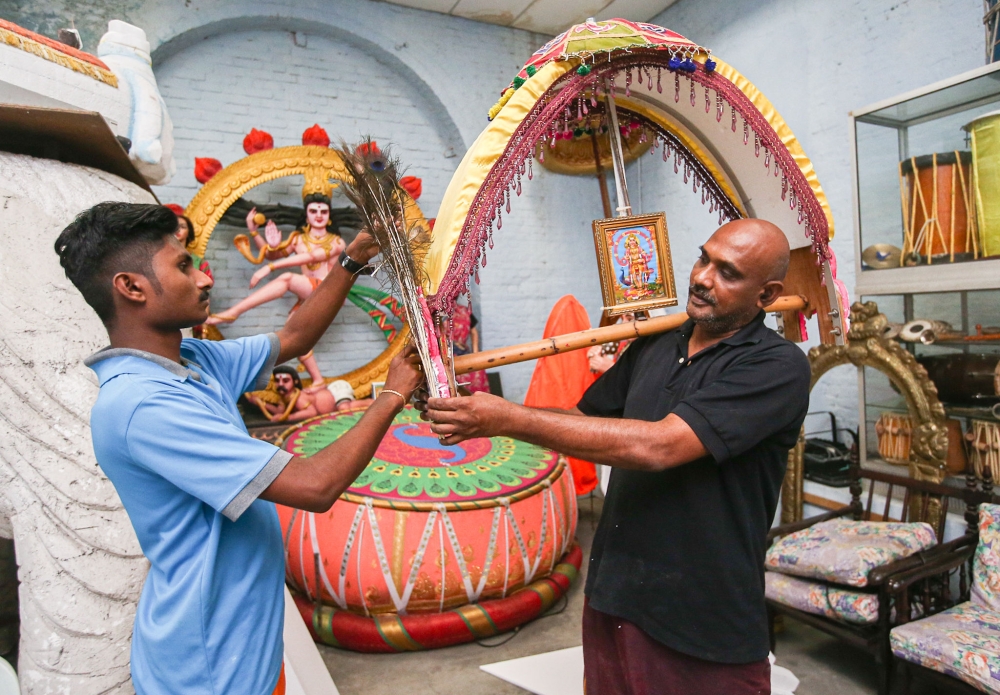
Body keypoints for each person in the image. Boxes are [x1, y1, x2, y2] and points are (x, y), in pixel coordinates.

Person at [420, 218, 810, 695]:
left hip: (703, 611)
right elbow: (582, 420)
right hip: (617, 590)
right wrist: (469, 404)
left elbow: (658, 445)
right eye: (703, 257)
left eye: (728, 273)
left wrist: (507, 418)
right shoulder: (658, 342)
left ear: (766, 296)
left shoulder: (776, 366)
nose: (703, 277)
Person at [53, 203, 423, 695]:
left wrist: (351, 259)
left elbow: (294, 335)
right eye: (183, 265)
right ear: (132, 287)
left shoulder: (191, 360)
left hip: (245, 650)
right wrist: (392, 395)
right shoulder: (144, 404)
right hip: (209, 673)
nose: (204, 279)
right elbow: (314, 485)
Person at [206, 194, 348, 391]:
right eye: (313, 211)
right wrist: (256, 233)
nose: (318, 215)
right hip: (309, 293)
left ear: (330, 216)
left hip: (329, 291)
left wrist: (270, 268)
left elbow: (310, 256)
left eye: (323, 211)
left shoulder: (336, 242)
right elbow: (271, 254)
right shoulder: (297, 238)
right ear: (306, 215)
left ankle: (234, 312)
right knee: (295, 337)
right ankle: (318, 380)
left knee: (287, 278)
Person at [244, 365, 337, 423]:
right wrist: (262, 403)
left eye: (285, 381)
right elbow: (280, 412)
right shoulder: (285, 396)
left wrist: (289, 418)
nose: (280, 384)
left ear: (295, 382)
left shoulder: (299, 397)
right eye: (277, 381)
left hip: (337, 397)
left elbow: (311, 412)